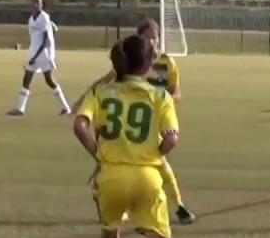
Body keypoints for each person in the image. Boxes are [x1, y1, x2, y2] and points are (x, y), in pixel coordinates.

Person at [71, 35, 221, 238]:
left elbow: (79, 123)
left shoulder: (101, 92)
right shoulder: (159, 95)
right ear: (148, 64)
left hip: (110, 176)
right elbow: (171, 139)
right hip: (149, 178)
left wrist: (98, 153)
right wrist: (159, 149)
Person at [76, 19, 195, 224]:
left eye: (154, 36)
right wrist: (79, 100)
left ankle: (177, 205)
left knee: (157, 164)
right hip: (129, 120)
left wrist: (160, 99)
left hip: (155, 119)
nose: (152, 40)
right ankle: (177, 207)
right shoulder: (131, 63)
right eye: (147, 37)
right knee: (156, 163)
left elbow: (176, 92)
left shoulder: (167, 63)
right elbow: (105, 81)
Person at [8, 0, 71, 116]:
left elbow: (46, 39)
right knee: (27, 78)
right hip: (34, 53)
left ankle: (66, 108)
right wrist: (32, 53)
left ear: (42, 5)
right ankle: (20, 109)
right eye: (34, 3)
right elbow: (34, 38)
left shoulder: (44, 18)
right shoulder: (31, 19)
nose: (35, 5)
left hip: (44, 54)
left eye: (38, 3)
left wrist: (35, 56)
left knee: (49, 80)